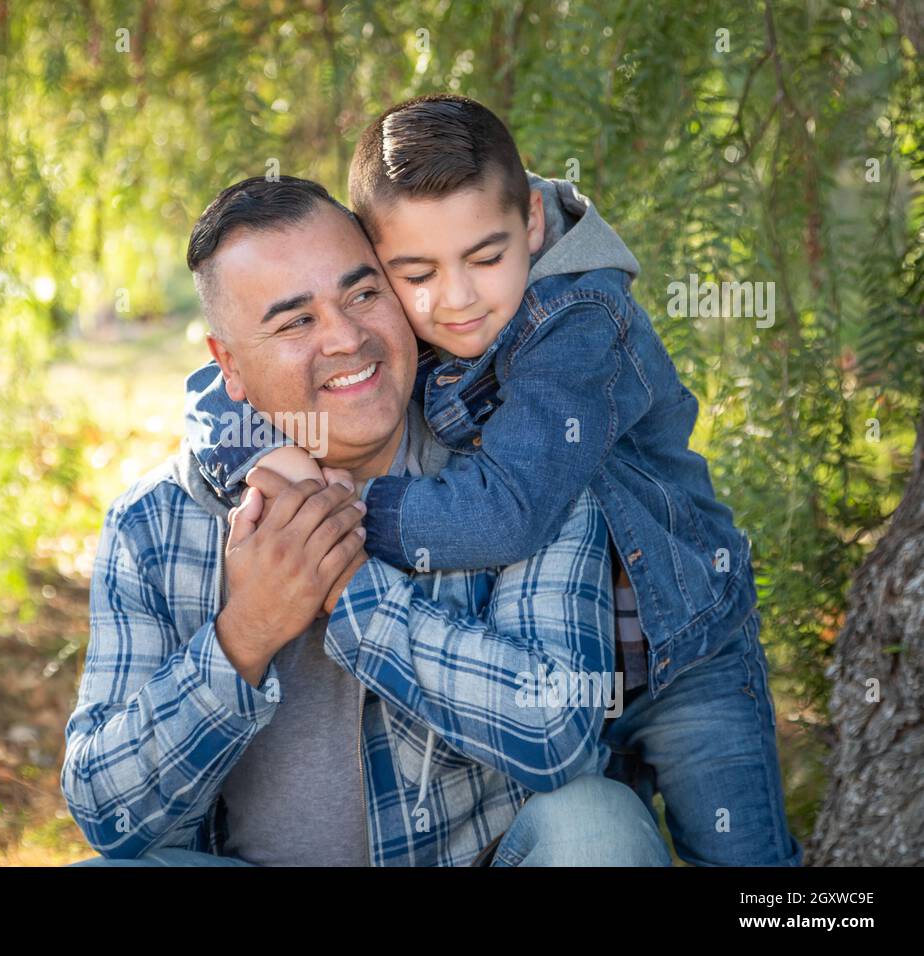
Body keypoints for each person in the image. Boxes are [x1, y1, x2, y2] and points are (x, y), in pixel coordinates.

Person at [183, 95, 801, 866]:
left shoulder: (579, 321)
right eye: (414, 274)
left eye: (485, 257)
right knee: (604, 833)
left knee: (748, 866)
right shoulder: (396, 308)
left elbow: (505, 512)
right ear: (378, 262)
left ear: (533, 226)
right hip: (572, 664)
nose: (457, 298)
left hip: (686, 654)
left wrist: (335, 513)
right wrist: (258, 461)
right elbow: (226, 379)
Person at [62, 175, 669, 866]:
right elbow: (108, 816)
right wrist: (248, 631)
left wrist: (351, 589)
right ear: (228, 364)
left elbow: (560, 730)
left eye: (362, 294)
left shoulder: (516, 479)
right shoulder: (157, 521)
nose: (348, 339)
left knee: (597, 825)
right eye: (295, 321)